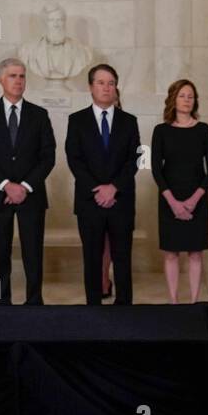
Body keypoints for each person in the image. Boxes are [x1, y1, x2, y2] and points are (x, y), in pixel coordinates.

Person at [0, 58, 55, 305]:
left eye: (22, 76)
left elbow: (47, 156)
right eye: (12, 76)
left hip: (32, 196)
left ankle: (34, 301)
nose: (18, 81)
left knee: (33, 254)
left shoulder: (40, 115)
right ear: (1, 79)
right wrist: (6, 185)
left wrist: (25, 187)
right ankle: (0, 303)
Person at [65, 64, 140, 305]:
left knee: (122, 258)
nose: (106, 87)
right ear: (90, 87)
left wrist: (114, 187)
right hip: (90, 201)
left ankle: (125, 309)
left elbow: (135, 158)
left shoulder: (129, 121)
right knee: (92, 258)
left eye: (111, 83)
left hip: (121, 200)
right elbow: (74, 159)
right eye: (101, 82)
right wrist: (97, 189)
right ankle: (93, 310)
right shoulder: (76, 120)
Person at [150, 79, 208, 304]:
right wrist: (174, 203)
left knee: (196, 253)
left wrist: (193, 200)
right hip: (169, 198)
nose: (187, 100)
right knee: (171, 253)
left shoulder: (204, 130)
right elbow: (156, 170)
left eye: (191, 96)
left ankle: (195, 302)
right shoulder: (161, 131)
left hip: (197, 198)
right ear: (173, 99)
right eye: (182, 96)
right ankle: (174, 301)